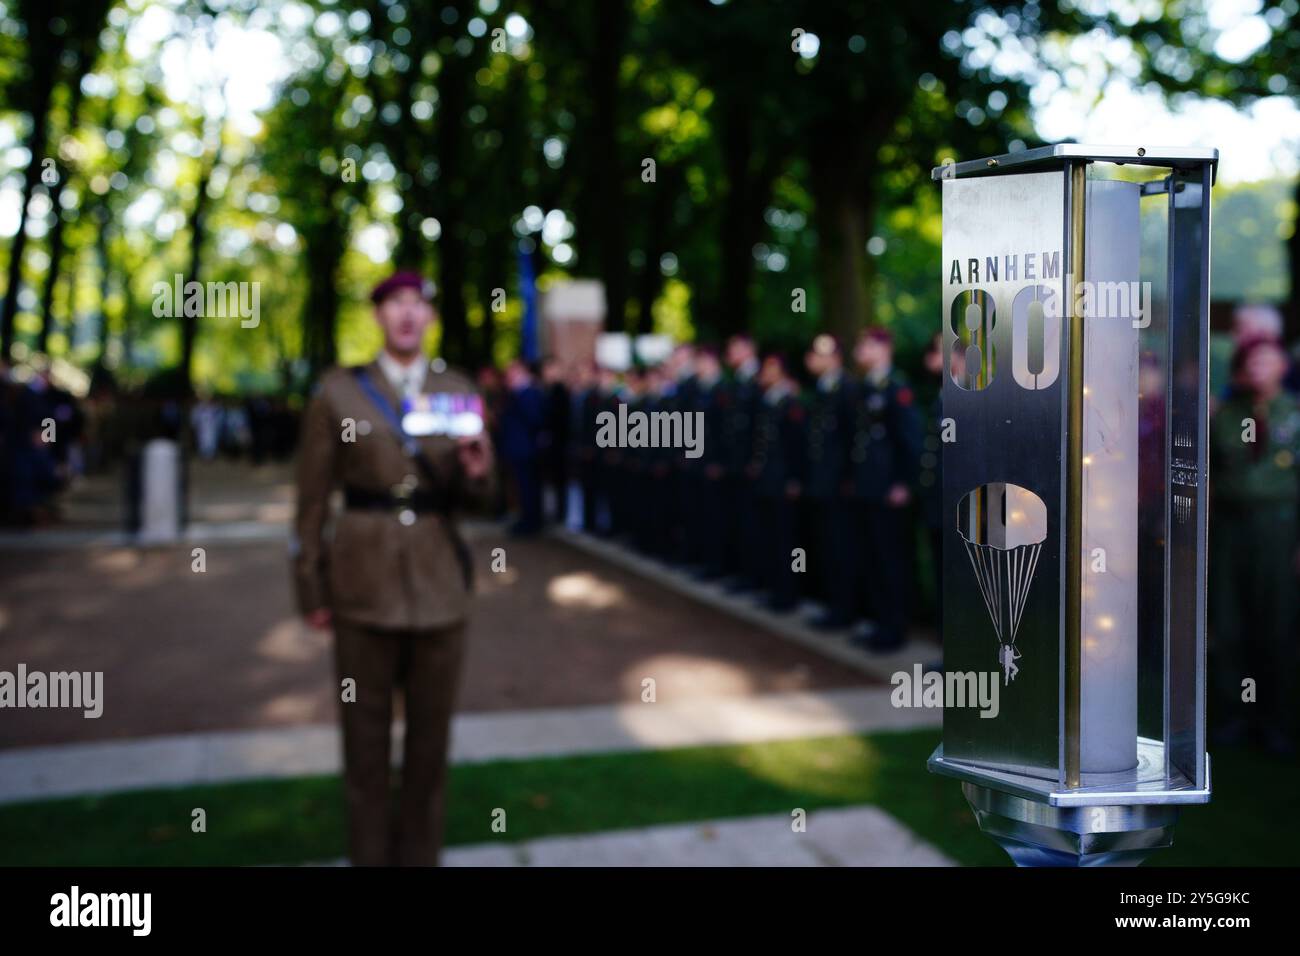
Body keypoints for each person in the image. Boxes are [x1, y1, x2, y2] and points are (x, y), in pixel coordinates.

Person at [292, 270, 496, 866]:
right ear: (378, 315)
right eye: (394, 303)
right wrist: (311, 587)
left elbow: (483, 499)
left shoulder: (457, 388)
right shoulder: (338, 392)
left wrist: (481, 470)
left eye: (418, 303)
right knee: (365, 746)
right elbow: (311, 501)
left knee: (430, 747)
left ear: (430, 316)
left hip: (439, 585)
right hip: (362, 584)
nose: (407, 314)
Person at [1208, 336, 1299, 755]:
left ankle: (1275, 719)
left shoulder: (1294, 415)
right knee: (1229, 626)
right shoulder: (1225, 416)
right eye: (1254, 361)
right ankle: (1235, 714)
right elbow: (1212, 472)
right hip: (1231, 531)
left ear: (1282, 366)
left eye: (1269, 359)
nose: (1261, 368)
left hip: (1278, 531)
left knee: (1276, 626)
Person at [847, 327, 922, 652]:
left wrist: (904, 482)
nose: (858, 351)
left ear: (882, 348)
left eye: (864, 345)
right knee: (872, 557)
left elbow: (909, 439)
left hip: (889, 490)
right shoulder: (866, 387)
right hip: (868, 487)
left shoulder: (896, 387)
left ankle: (895, 627)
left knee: (891, 560)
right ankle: (880, 623)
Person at [803, 334, 856, 629]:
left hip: (838, 485)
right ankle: (833, 607)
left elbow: (851, 438)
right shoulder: (822, 389)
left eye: (820, 354)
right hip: (822, 484)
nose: (813, 359)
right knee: (827, 546)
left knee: (840, 548)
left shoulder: (846, 389)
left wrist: (847, 478)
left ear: (835, 358)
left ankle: (843, 610)